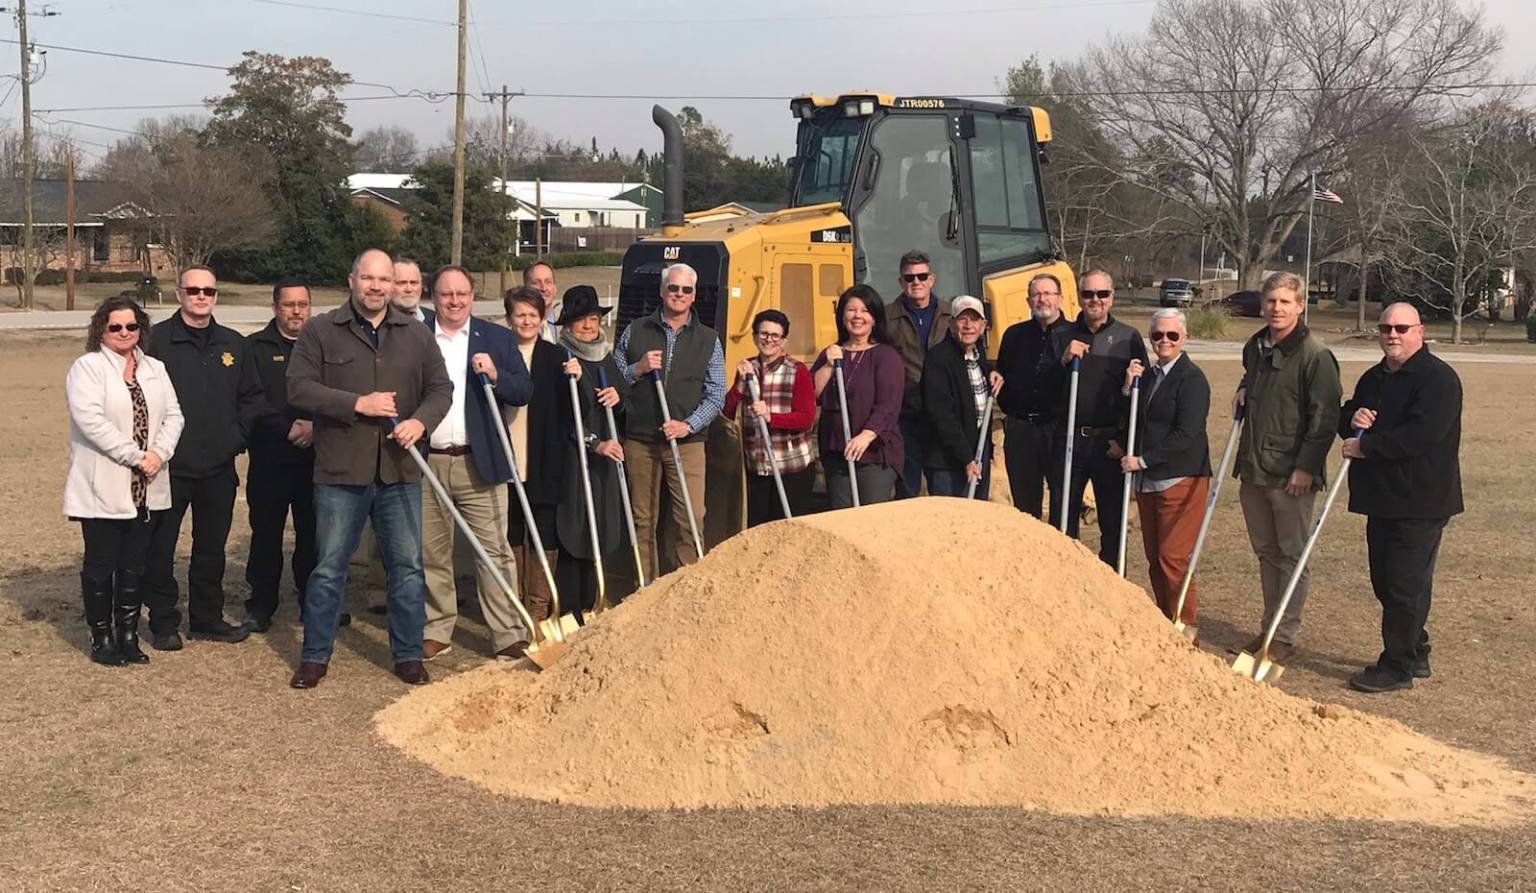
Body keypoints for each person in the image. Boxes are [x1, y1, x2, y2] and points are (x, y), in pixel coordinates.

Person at [285, 248, 453, 689]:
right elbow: (298, 389)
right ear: (352, 280)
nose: (376, 287)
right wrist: (357, 404)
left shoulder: (416, 334)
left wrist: (420, 422)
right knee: (328, 568)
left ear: (393, 285)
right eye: (368, 278)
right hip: (341, 472)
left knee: (407, 568)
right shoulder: (321, 331)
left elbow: (440, 388)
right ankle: (315, 656)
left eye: (384, 280)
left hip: (399, 472)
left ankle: (408, 654)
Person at [1338, 303, 1462, 693]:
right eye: (1385, 328)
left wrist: (1366, 447)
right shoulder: (1374, 378)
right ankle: (1415, 647)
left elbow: (1421, 437)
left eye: (1401, 328)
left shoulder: (1438, 380)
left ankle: (1397, 667)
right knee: (1386, 582)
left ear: (1419, 331)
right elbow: (1347, 417)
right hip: (1381, 498)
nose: (1392, 334)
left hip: (1421, 500)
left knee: (1406, 584)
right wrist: (1352, 419)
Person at [143, 265, 265, 650]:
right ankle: (163, 622)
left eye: (208, 291)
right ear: (179, 293)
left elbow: (252, 398)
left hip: (218, 467)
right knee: (160, 548)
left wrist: (235, 439)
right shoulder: (156, 342)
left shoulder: (234, 344)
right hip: (168, 468)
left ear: (216, 296)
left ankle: (207, 618)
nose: (200, 297)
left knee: (211, 548)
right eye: (193, 290)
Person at [418, 267, 535, 661]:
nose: (455, 301)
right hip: (429, 462)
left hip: (479, 461)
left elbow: (524, 390)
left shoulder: (497, 338)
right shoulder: (417, 337)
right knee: (432, 552)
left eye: (462, 294)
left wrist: (497, 374)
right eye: (446, 294)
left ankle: (508, 633)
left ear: (472, 296)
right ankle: (437, 628)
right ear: (433, 297)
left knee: (495, 551)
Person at [64, 297, 184, 665]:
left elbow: (174, 416)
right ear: (101, 329)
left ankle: (128, 634)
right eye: (115, 326)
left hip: (146, 486)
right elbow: (91, 421)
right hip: (104, 483)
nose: (124, 333)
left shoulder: (155, 368)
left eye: (131, 326)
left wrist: (159, 454)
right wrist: (135, 456)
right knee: (102, 564)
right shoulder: (88, 368)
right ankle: (101, 637)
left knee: (134, 563)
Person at [1231, 271, 1342, 662]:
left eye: (1284, 302)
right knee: (1266, 552)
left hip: (1290, 473)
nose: (1276, 308)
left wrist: (1306, 468)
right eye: (1271, 301)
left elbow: (1324, 419)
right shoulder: (1256, 346)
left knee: (1291, 555)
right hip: (1254, 468)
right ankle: (1269, 627)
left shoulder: (1315, 356)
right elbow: (1257, 382)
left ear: (1300, 305)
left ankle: (1285, 635)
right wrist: (1243, 388)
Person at [614, 263, 726, 578]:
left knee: (691, 517)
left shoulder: (709, 339)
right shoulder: (635, 330)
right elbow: (613, 381)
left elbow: (716, 394)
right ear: (663, 291)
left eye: (686, 289)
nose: (679, 294)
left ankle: (686, 586)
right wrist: (638, 368)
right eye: (673, 288)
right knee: (643, 519)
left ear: (694, 295)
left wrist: (687, 425)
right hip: (641, 439)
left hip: (687, 442)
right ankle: (646, 588)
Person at [1119, 309, 1212, 632]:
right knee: (1155, 559)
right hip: (1149, 482)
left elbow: (1187, 434)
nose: (1164, 341)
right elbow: (1136, 420)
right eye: (1158, 335)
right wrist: (1129, 389)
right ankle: (1165, 623)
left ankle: (1185, 627)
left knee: (1173, 557)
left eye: (1172, 335)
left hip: (1180, 478)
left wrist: (1143, 461)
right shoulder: (1148, 376)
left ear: (1184, 338)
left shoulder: (1192, 379)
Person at [242, 281, 326, 632]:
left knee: (313, 535)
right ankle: (261, 605)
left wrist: (316, 426)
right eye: (289, 304)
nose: (296, 311)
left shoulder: (324, 344)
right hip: (270, 458)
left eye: (302, 304)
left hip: (316, 458)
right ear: (274, 307)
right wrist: (287, 427)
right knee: (266, 535)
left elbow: (338, 392)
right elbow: (251, 398)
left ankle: (314, 603)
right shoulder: (254, 348)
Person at [1050, 270, 1148, 565]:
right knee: (1062, 522)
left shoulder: (1128, 337)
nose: (1096, 300)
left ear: (1112, 297)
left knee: (1113, 524)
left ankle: (1113, 584)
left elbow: (1140, 396)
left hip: (1109, 445)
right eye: (1088, 294)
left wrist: (1123, 442)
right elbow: (1045, 389)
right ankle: (1066, 579)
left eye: (1102, 294)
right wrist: (1063, 360)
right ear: (1079, 298)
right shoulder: (1061, 335)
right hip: (1070, 441)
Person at [553, 285, 629, 612]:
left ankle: (593, 601)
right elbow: (560, 416)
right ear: (568, 324)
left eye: (594, 319)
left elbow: (624, 404)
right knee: (575, 526)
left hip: (605, 460)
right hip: (574, 458)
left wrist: (618, 398)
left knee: (600, 524)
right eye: (581, 319)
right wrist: (594, 444)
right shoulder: (561, 358)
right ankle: (570, 606)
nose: (588, 326)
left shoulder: (606, 357)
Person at [503, 286, 572, 624]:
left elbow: (572, 409)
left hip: (544, 456)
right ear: (509, 319)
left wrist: (576, 380)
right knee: (512, 531)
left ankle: (538, 607)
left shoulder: (556, 356)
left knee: (544, 531)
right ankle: (514, 605)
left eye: (533, 315)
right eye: (520, 315)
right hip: (507, 455)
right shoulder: (500, 352)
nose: (527, 321)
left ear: (542, 319)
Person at [811, 284, 905, 507]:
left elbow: (888, 405)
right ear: (842, 316)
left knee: (870, 518)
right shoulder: (831, 353)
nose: (857, 316)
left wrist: (866, 436)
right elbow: (813, 394)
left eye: (864, 311)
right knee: (842, 517)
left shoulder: (886, 355)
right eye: (851, 310)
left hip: (873, 454)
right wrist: (828, 366)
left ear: (874, 318)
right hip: (837, 452)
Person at [723, 309, 817, 525]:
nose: (769, 340)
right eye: (764, 334)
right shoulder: (747, 369)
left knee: (787, 530)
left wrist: (771, 417)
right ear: (755, 336)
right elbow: (727, 413)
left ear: (783, 340)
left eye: (775, 335)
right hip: (756, 468)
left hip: (790, 469)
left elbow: (806, 419)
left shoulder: (797, 371)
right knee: (758, 529)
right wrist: (739, 385)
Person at [996, 273, 1071, 518]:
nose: (1042, 299)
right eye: (1036, 294)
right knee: (1025, 506)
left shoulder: (1074, 335)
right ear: (1028, 301)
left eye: (1048, 293)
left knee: (1062, 501)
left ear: (1059, 299)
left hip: (1058, 430)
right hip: (1021, 429)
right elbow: (1002, 373)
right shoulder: (1013, 335)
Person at [885, 250, 954, 497]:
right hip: (905, 415)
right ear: (901, 281)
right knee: (907, 487)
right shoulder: (887, 318)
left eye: (922, 276)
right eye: (910, 277)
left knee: (944, 488)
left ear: (931, 279)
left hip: (942, 414)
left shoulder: (950, 315)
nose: (916, 282)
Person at [921, 296, 1002, 499]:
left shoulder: (978, 353)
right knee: (951, 515)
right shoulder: (938, 358)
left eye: (974, 320)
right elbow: (941, 414)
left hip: (978, 450)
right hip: (948, 460)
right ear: (951, 323)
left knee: (977, 513)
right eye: (962, 319)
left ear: (983, 326)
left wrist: (992, 372)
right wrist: (966, 458)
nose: (968, 326)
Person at [390, 257, 433, 326]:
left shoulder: (436, 320)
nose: (409, 289)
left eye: (413, 283)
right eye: (402, 283)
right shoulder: (376, 321)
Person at [524, 261, 560, 342]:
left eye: (548, 282)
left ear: (555, 288)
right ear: (525, 289)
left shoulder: (569, 324)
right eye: (536, 283)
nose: (543, 288)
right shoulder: (508, 329)